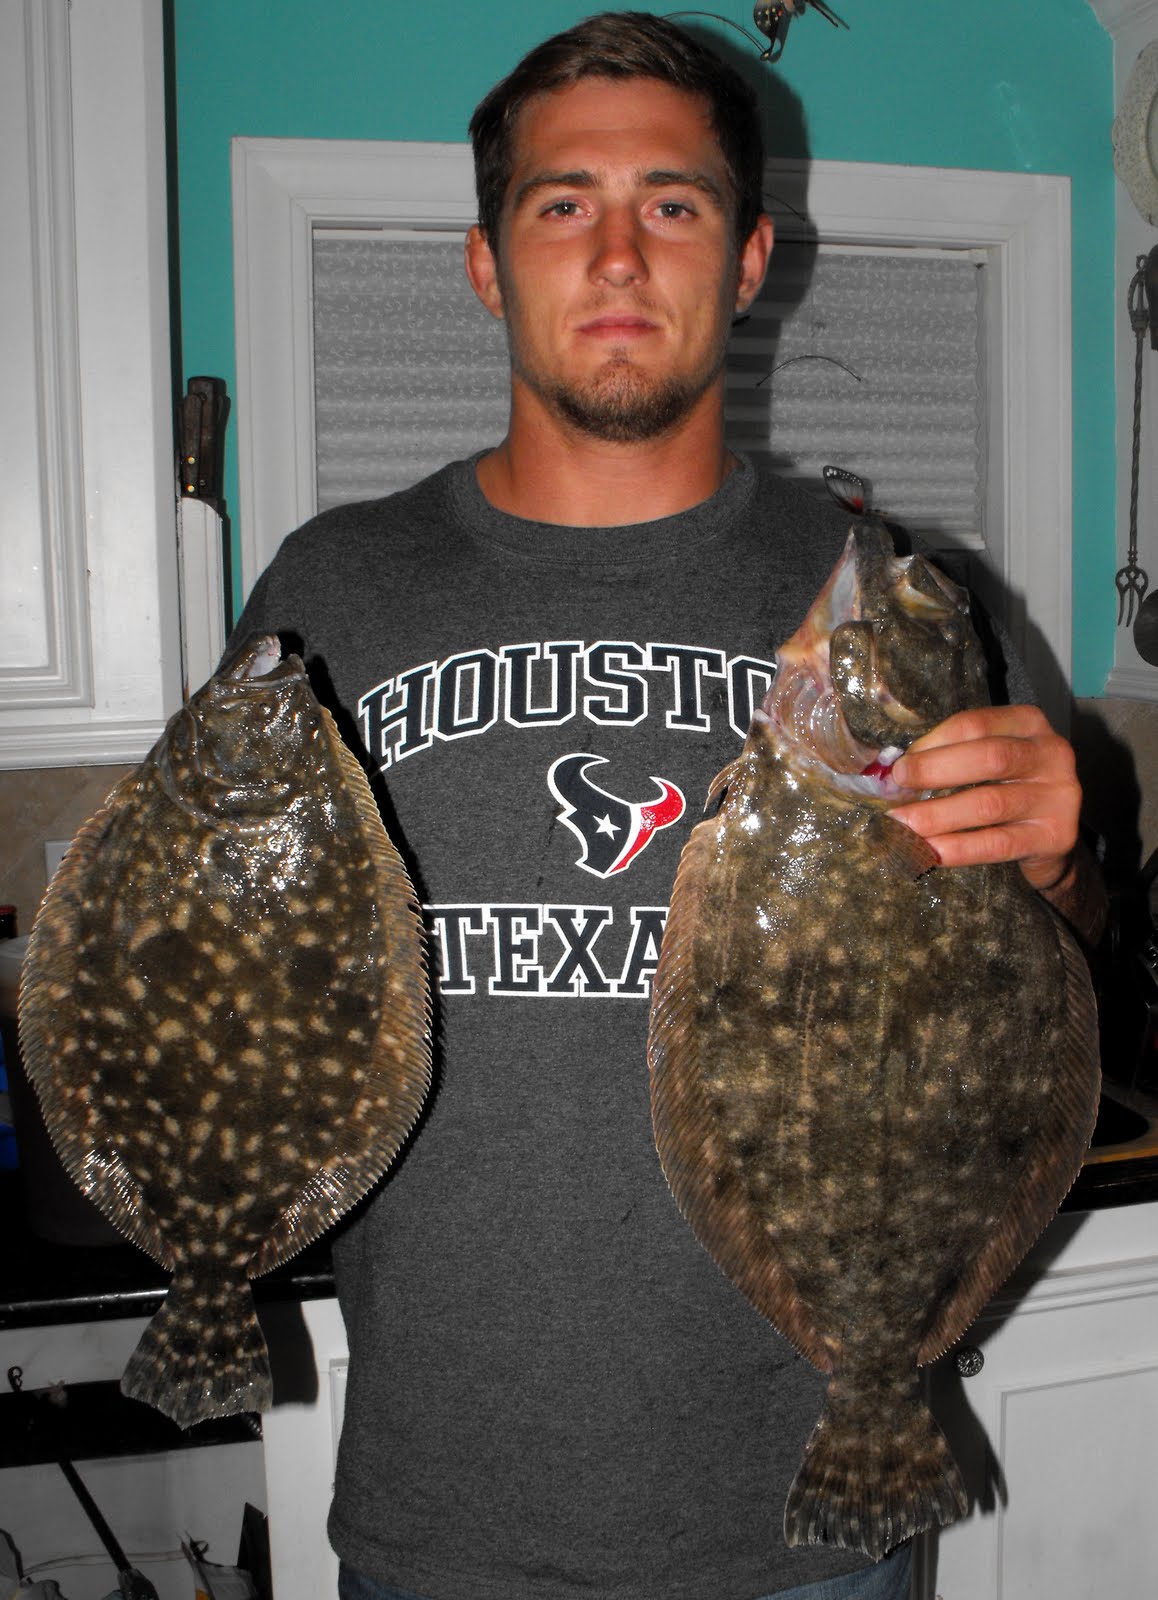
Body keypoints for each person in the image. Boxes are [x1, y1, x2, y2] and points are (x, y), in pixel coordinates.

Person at [233, 13, 1105, 1598]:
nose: (619, 252)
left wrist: (1060, 866)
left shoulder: (900, 602)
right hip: (448, 1518)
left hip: (813, 1519)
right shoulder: (327, 589)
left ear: (752, 255)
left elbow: (1037, 984)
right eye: (563, 204)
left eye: (675, 203)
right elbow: (239, 979)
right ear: (488, 264)